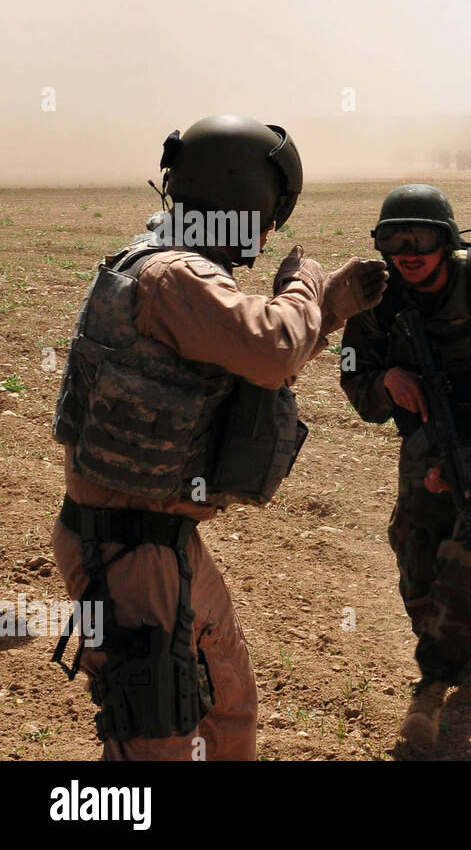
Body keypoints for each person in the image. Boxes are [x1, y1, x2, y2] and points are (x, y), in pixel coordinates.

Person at [49, 114, 387, 760]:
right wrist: (307, 282)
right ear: (244, 204)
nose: (264, 236)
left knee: (227, 710)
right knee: (156, 747)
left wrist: (334, 307)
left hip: (164, 545)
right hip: (126, 555)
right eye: (265, 219)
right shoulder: (173, 276)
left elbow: (249, 359)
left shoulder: (176, 269)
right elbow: (274, 345)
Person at [338, 184, 471, 753]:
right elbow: (356, 382)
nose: (408, 251)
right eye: (393, 239)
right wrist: (384, 382)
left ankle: (430, 688)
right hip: (431, 439)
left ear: (447, 240)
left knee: (464, 556)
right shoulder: (379, 299)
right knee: (415, 552)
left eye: (421, 238)